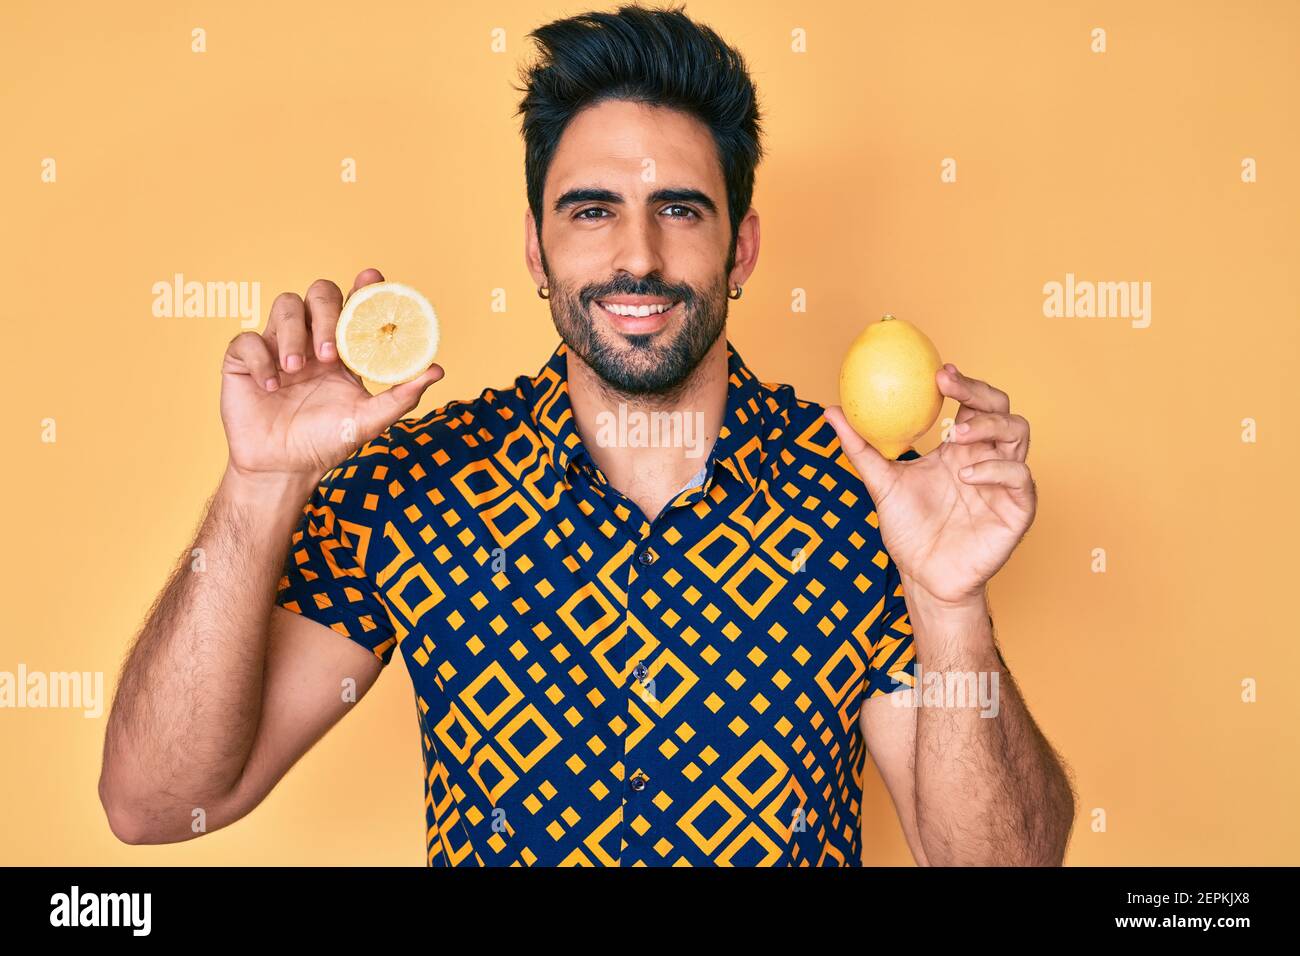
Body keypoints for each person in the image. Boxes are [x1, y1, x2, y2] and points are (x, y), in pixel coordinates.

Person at [99, 4, 1074, 866]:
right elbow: (154, 804)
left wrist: (951, 607)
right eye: (592, 211)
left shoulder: (867, 499)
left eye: (680, 211)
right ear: (536, 246)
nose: (637, 257)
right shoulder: (411, 486)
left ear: (740, 246)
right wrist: (260, 480)